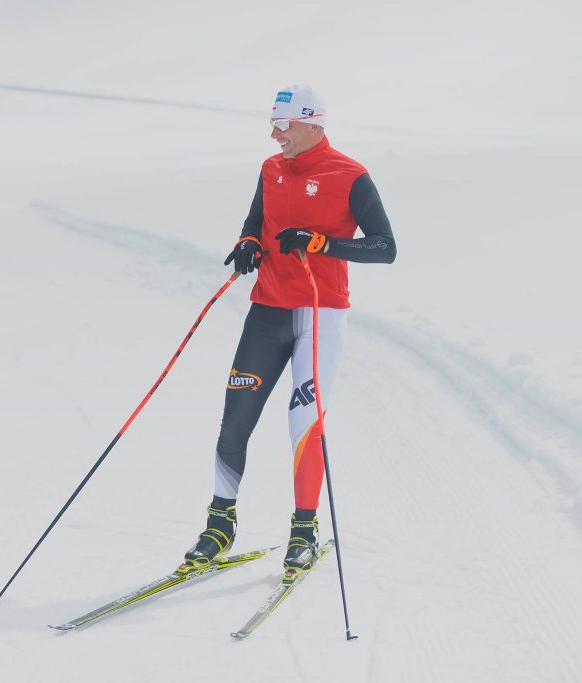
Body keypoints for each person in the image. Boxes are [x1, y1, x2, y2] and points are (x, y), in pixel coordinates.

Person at [183, 84, 397, 580]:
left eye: (283, 125)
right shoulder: (271, 168)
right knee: (235, 418)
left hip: (320, 316)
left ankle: (304, 530)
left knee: (304, 425)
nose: (275, 133)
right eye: (272, 124)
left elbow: (385, 247)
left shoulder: (350, 175)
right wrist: (248, 243)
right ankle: (220, 525)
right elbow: (256, 219)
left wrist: (321, 242)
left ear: (312, 123)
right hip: (267, 312)